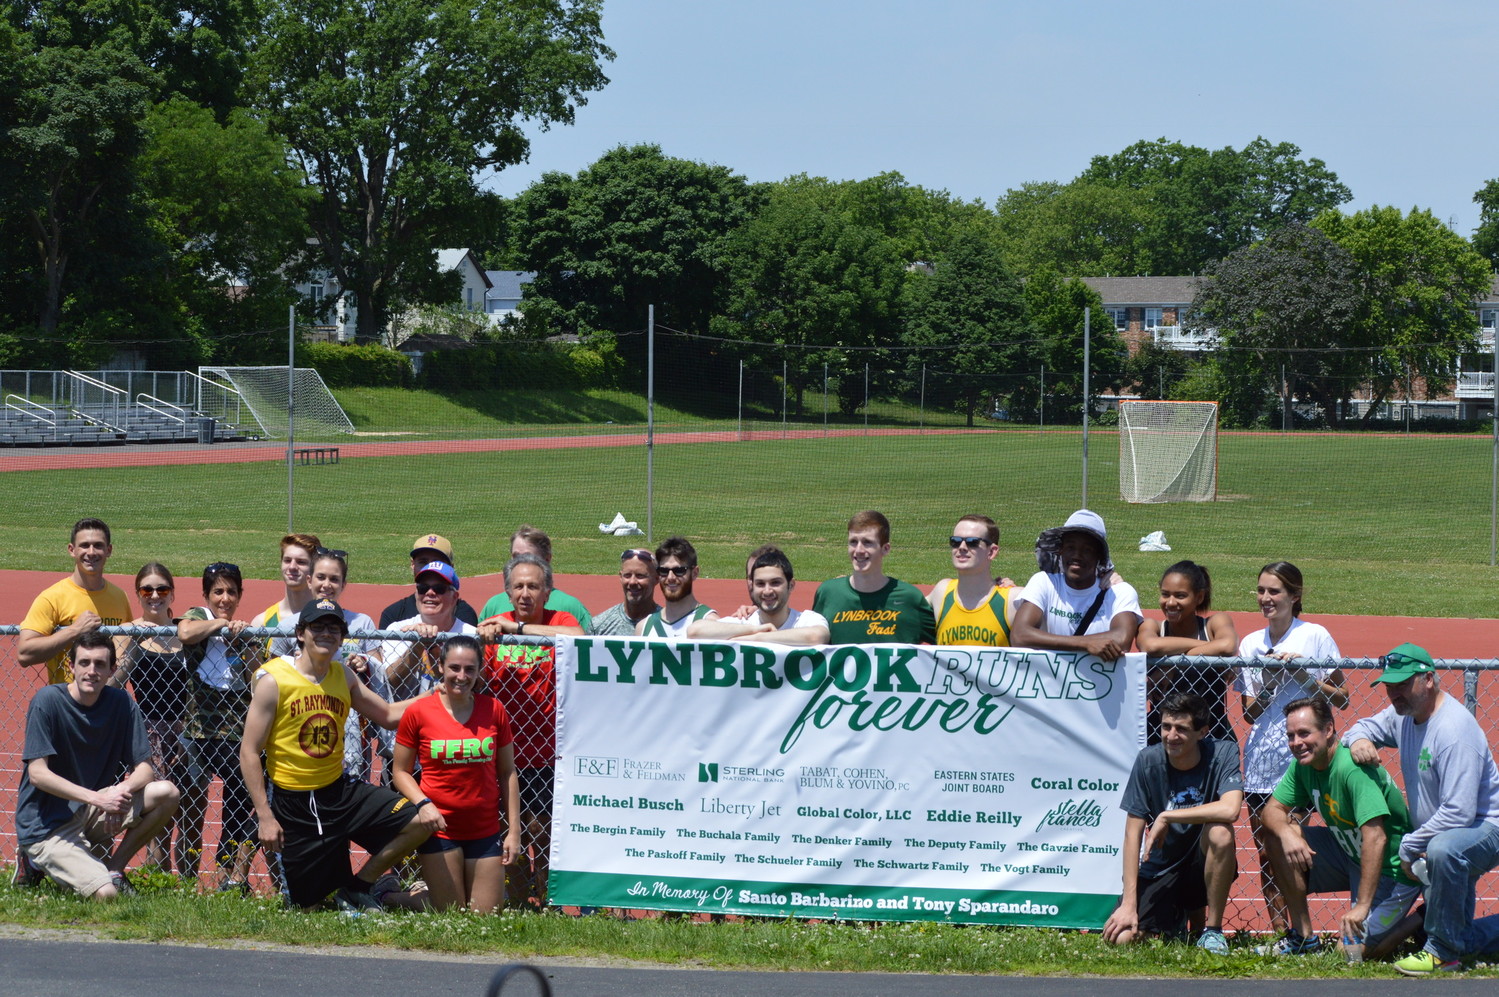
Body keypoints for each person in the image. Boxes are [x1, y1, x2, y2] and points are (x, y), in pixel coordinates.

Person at [239, 599, 431, 910]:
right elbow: (249, 752)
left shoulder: (344, 676)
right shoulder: (273, 680)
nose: (326, 634)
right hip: (295, 803)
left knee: (419, 822)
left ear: (342, 636)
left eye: (334, 628)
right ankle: (331, 889)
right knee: (308, 909)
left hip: (339, 791)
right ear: (301, 633)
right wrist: (264, 815)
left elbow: (388, 714)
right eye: (318, 627)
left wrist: (434, 696)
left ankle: (358, 886)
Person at [1347, 643, 1499, 974]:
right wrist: (1359, 739)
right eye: (1388, 686)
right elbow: (1363, 727)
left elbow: (1460, 812)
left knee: (1445, 850)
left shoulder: (1454, 730)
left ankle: (1442, 952)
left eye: (1401, 684)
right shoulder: (1404, 715)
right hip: (1446, 831)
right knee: (1464, 934)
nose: (1393, 694)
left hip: (1483, 827)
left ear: (1428, 679)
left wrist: (1410, 846)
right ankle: (1455, 944)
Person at [14, 633, 182, 899]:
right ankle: (33, 860)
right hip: (46, 825)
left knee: (167, 793)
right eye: (84, 662)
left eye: (100, 664)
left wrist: (120, 792)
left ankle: (114, 869)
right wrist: (100, 800)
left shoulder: (121, 703)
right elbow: (37, 774)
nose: (91, 671)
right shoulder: (47, 701)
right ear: (71, 667)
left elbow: (145, 769)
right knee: (106, 896)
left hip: (91, 810)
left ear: (112, 669)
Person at [1259, 697, 1423, 960]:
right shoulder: (1304, 764)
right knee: (1275, 839)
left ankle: (1423, 917)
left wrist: (1362, 906)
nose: (1296, 743)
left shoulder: (1351, 769)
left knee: (1350, 954)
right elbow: (1270, 811)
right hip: (1349, 854)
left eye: (1304, 733)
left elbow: (1376, 838)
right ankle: (1304, 938)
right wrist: (1289, 834)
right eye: (1290, 735)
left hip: (1392, 869)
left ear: (1328, 730)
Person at [1236, 561, 1347, 933]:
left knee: (1290, 848)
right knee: (1267, 853)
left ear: (1294, 596)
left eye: (1274, 591)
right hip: (1261, 762)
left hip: (1300, 760)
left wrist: (1303, 675)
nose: (1265, 598)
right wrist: (1269, 683)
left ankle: (1301, 931)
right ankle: (1281, 934)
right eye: (1261, 591)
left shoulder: (1314, 635)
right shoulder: (1251, 643)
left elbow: (1343, 697)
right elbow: (1250, 712)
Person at [478, 553, 585, 907]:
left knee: (543, 831)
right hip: (504, 754)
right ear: (508, 592)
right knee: (508, 832)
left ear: (547, 591)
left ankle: (549, 901)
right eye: (518, 586)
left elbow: (578, 636)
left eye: (533, 586)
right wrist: (486, 640)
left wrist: (519, 630)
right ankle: (521, 901)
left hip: (547, 752)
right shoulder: (495, 624)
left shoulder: (559, 620)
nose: (525, 594)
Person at [1103, 692, 1242, 955]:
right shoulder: (1147, 760)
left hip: (1201, 863)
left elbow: (1231, 809)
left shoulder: (1223, 752)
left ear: (1202, 732)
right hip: (1161, 868)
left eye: (1181, 729)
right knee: (1121, 938)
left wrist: (1167, 816)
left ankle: (1212, 932)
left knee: (1220, 832)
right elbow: (1132, 836)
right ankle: (1174, 920)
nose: (1171, 735)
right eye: (1166, 726)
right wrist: (1129, 904)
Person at [392, 635, 521, 912]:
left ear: (479, 671)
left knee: (484, 917)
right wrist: (423, 804)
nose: (461, 676)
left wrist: (513, 831)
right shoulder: (418, 712)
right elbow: (400, 771)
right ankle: (388, 897)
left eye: (469, 669)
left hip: (484, 829)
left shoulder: (494, 709)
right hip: (440, 829)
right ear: (440, 667)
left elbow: (508, 772)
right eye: (454, 668)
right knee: (450, 912)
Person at [177, 562, 261, 891]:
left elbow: (258, 672)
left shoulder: (241, 630)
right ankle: (187, 879)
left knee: (239, 800)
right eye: (218, 591)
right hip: (199, 731)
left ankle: (227, 874)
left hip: (234, 732)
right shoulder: (199, 615)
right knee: (192, 805)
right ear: (206, 595)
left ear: (240, 595)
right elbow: (185, 633)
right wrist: (221, 625)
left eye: (231, 592)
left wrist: (242, 640)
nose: (225, 598)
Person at [367, 562, 478, 776]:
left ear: (455, 597)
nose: (429, 593)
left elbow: (476, 686)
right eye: (422, 587)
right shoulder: (397, 630)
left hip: (452, 746)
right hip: (404, 747)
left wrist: (434, 648)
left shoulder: (470, 635)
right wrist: (417, 645)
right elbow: (389, 681)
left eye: (439, 588)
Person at [112, 562, 188, 872]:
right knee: (158, 814)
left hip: (185, 733)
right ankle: (156, 876)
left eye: (162, 589)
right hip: (149, 732)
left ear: (172, 594)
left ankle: (185, 880)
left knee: (189, 813)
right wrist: (133, 644)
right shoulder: (127, 631)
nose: (154, 595)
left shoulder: (184, 630)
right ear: (138, 595)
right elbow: (113, 685)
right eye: (147, 590)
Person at [1011, 509, 1140, 661]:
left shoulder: (1121, 592)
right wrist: (1086, 644)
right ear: (1061, 550)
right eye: (1071, 547)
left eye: (1087, 550)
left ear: (1099, 555)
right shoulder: (1044, 582)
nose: (1077, 556)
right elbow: (1020, 635)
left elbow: (1122, 638)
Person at [19, 518, 132, 683]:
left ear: (109, 550)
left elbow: (125, 650)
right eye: (84, 545)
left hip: (107, 701)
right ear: (72, 550)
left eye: (98, 545)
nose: (91, 552)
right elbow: (24, 654)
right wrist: (74, 630)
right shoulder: (52, 597)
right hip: (66, 700)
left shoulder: (120, 597)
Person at [1136, 561, 1238, 744]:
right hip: (1163, 736)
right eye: (1165, 594)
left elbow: (1227, 645)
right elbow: (1150, 646)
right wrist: (1205, 648)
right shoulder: (1153, 626)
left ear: (1199, 597)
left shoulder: (1214, 623)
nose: (1170, 603)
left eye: (1180, 596)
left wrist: (1171, 665)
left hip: (1212, 735)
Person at [302, 549, 379, 781]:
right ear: (309, 580)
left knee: (353, 781)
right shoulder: (292, 623)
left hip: (351, 717)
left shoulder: (362, 622)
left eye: (334, 579)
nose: (327, 584)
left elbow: (379, 665)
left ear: (343, 584)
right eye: (321, 577)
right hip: (306, 714)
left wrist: (364, 662)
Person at [812, 511, 935, 645]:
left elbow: (948, 644)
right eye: (853, 542)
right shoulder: (828, 593)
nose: (858, 550)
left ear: (885, 549)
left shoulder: (910, 598)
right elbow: (812, 645)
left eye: (867, 542)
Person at [687, 547, 830, 644]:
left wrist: (758, 638)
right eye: (760, 584)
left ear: (791, 585)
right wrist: (756, 629)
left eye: (775, 583)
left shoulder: (807, 620)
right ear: (752, 586)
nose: (767, 591)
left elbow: (816, 637)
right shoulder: (744, 623)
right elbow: (694, 631)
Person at [481, 525, 594, 633]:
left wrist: (518, 628)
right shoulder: (493, 605)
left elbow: (588, 640)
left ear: (547, 559)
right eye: (515, 556)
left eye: (528, 556)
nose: (520, 562)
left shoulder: (570, 606)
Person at [926, 515, 1018, 647]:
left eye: (972, 542)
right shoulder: (942, 591)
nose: (962, 547)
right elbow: (901, 611)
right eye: (955, 541)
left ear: (992, 551)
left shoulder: (1012, 600)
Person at [378, 533, 478, 628]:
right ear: (413, 564)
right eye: (423, 562)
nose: (430, 567)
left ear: (451, 567)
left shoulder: (464, 615)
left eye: (437, 562)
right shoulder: (394, 614)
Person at [250, 533, 320, 657]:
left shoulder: (328, 619)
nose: (292, 567)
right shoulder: (262, 622)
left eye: (301, 562)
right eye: (287, 560)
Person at [637, 536, 719, 637]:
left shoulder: (710, 623)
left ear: (694, 573)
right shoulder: (644, 628)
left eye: (679, 571)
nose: (670, 577)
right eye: (664, 571)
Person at [591, 549, 660, 637]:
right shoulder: (599, 627)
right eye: (627, 575)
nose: (632, 582)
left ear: (656, 579)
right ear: (621, 577)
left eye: (640, 576)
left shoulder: (668, 627)